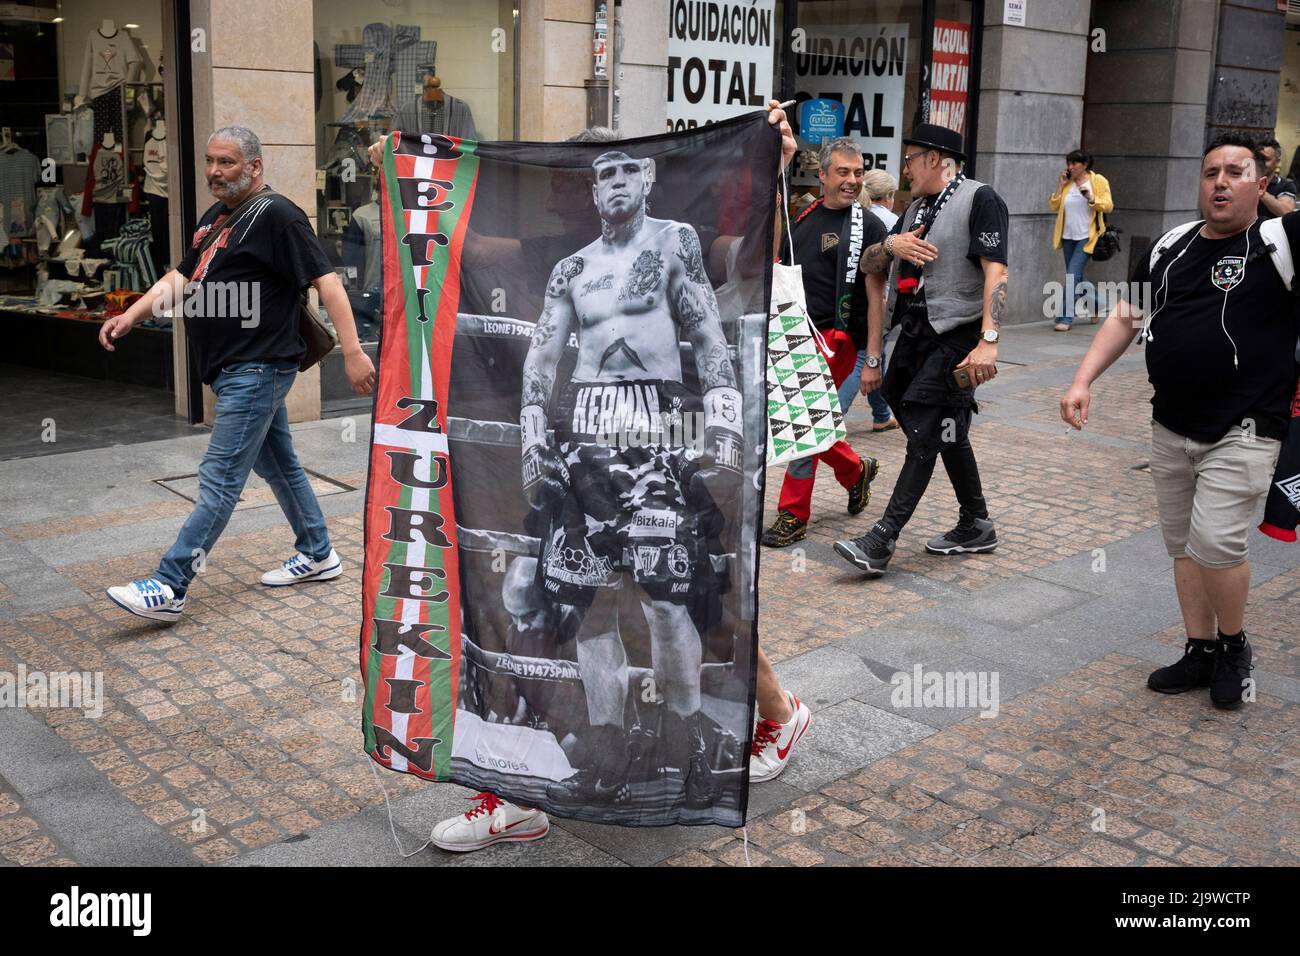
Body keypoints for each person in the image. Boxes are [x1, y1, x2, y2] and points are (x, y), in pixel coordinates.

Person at [425, 105, 812, 852]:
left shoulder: (676, 243)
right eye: (585, 180)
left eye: (608, 174)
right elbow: (520, 328)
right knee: (568, 596)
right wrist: (407, 179)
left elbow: (734, 288)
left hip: (657, 438)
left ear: (641, 176)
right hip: (581, 445)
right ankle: (598, 744)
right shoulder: (563, 259)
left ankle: (682, 730)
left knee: (670, 595)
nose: (588, 191)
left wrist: (776, 169)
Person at [1060, 133, 1296, 710]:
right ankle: (1200, 649)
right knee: (1184, 547)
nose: (1219, 182)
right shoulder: (1172, 244)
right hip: (1170, 424)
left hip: (1244, 426)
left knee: (1216, 543)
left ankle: (1235, 646)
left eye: (1236, 173)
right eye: (1210, 172)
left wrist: (1279, 208)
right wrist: (1081, 379)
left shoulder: (1277, 242)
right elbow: (1127, 314)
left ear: (1261, 185)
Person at [101, 126, 375, 622]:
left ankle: (169, 585)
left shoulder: (279, 215)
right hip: (233, 369)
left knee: (219, 478)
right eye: (210, 161)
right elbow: (180, 278)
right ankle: (318, 552)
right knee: (278, 465)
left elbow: (328, 285)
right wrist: (132, 315)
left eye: (226, 162)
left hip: (258, 367)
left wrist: (352, 352)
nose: (214, 171)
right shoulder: (215, 217)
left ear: (255, 167)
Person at [834, 123, 1008, 577]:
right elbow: (872, 266)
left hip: (957, 334)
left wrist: (989, 341)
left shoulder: (979, 198)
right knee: (945, 424)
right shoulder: (915, 209)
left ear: (935, 158)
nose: (904, 168)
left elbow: (997, 273)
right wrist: (890, 243)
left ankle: (882, 539)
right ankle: (976, 521)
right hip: (915, 336)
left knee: (929, 427)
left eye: (909, 158)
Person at [760, 137, 885, 549]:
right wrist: (780, 165)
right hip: (796, 334)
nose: (852, 181)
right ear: (823, 175)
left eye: (858, 173)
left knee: (801, 422)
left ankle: (792, 515)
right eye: (843, 172)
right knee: (811, 423)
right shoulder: (805, 215)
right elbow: (776, 255)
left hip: (837, 340)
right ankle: (855, 470)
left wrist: (872, 357)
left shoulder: (869, 226)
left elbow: (876, 296)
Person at [837, 168, 899, 432]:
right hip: (877, 301)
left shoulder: (854, 216)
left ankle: (881, 413)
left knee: (877, 356)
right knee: (865, 357)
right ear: (888, 195)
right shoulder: (889, 221)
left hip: (850, 298)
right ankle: (832, 419)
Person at [1048, 149, 1113, 331]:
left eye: (1074, 163)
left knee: (1071, 277)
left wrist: (1091, 197)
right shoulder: (1068, 183)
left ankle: (1065, 318)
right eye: (1068, 163)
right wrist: (1060, 185)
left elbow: (1108, 205)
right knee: (1076, 277)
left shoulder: (1098, 181)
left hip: (1087, 236)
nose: (1070, 167)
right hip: (1068, 236)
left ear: (1084, 164)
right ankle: (1097, 304)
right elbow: (1054, 206)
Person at [1257, 136, 1296, 219]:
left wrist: (1259, 189)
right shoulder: (1245, 181)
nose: (1261, 163)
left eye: (1266, 159)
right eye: (1258, 158)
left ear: (1277, 162)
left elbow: (1286, 212)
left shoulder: (1285, 185)